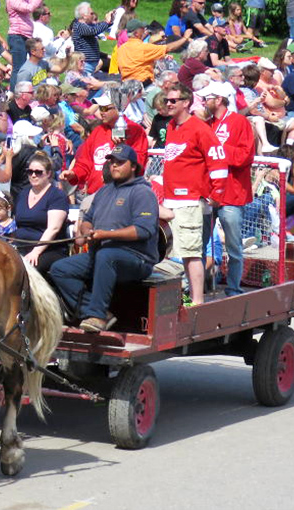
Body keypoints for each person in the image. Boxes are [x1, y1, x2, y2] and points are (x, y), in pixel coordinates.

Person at [50, 144, 159, 332]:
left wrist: (105, 234)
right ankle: (93, 311)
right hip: (103, 255)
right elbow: (88, 219)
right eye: (112, 162)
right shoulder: (104, 191)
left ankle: (97, 315)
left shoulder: (142, 192)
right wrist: (86, 231)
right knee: (60, 268)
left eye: (120, 162)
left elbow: (143, 230)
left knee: (107, 255)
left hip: (136, 258)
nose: (114, 166)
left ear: (133, 166)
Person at [163, 83, 228, 305]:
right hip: (171, 200)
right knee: (171, 251)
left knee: (191, 252)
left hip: (191, 201)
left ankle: (197, 300)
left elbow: (218, 163)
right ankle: (180, 296)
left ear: (186, 102)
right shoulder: (172, 126)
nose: (168, 104)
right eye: (167, 100)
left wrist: (216, 193)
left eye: (173, 100)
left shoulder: (200, 128)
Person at [198, 81, 255, 297]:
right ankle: (200, 288)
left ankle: (233, 289)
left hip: (232, 193)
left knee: (233, 246)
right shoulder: (207, 124)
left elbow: (244, 156)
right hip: (208, 193)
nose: (203, 101)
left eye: (207, 98)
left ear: (219, 99)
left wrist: (217, 150)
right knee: (200, 244)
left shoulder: (239, 122)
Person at [13, 151, 69, 274]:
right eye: (30, 171)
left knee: (26, 269)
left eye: (38, 172)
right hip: (21, 246)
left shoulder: (57, 196)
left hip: (48, 250)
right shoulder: (23, 193)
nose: (33, 175)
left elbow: (53, 229)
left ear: (48, 174)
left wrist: (36, 252)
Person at [116, 18, 191, 85]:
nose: (145, 31)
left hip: (126, 85)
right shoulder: (144, 48)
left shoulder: (121, 49)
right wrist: (185, 38)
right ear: (136, 33)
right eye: (142, 29)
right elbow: (169, 48)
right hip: (143, 85)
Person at [7, 0, 43, 89]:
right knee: (19, 68)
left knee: (34, 65)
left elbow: (35, 5)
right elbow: (29, 8)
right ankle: (15, 95)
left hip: (26, 36)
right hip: (17, 36)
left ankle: (34, 89)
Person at [70, 2, 113, 74]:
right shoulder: (79, 26)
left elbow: (98, 26)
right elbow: (93, 31)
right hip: (85, 64)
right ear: (84, 15)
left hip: (91, 64)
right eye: (91, 13)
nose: (93, 15)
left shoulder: (87, 25)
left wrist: (110, 20)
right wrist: (107, 22)